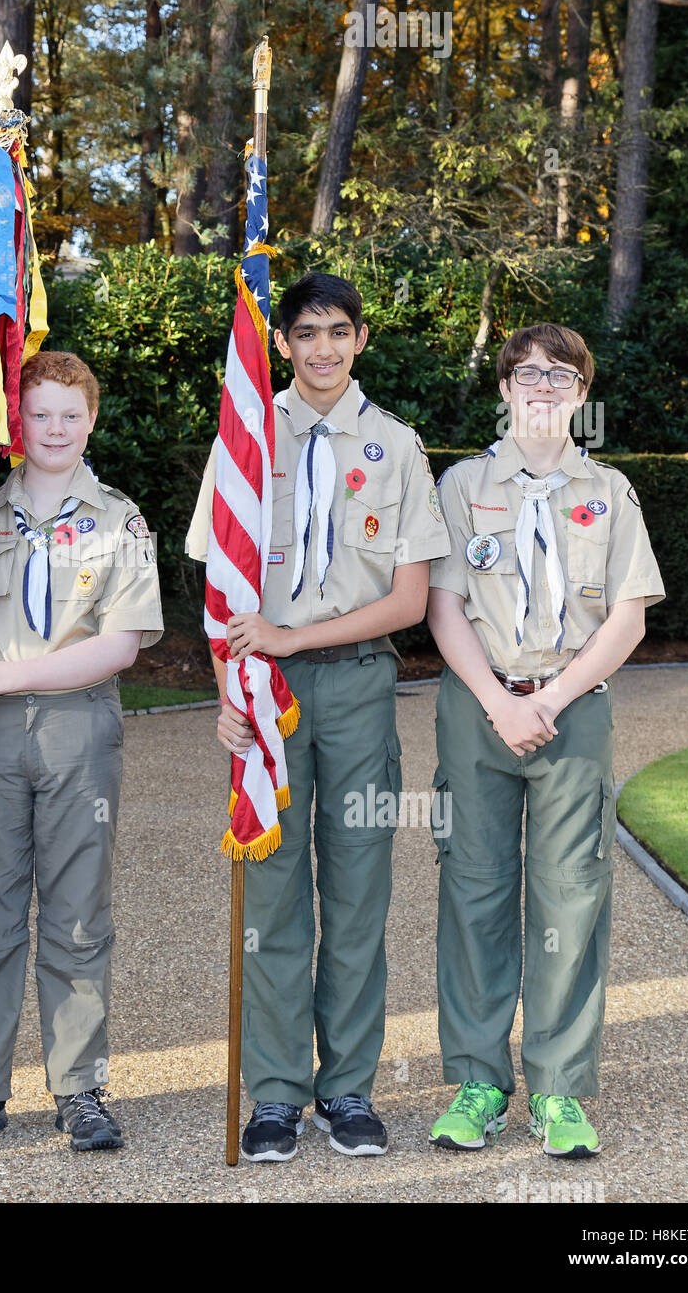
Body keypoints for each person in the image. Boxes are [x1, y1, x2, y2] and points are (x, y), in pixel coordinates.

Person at [185, 270, 450, 1161]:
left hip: (356, 688)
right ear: (285, 344)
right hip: (266, 693)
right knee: (272, 896)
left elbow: (411, 599)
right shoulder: (246, 437)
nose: (324, 349)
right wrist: (230, 688)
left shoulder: (399, 447)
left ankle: (346, 1090)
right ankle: (274, 1094)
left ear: (362, 340)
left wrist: (296, 640)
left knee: (357, 892)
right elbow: (221, 583)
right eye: (306, 334)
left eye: (340, 332)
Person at [426, 323, 664, 1158]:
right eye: (527, 374)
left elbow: (626, 618)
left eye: (561, 375)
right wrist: (499, 701)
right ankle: (480, 1081)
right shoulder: (459, 487)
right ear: (503, 388)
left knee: (571, 896)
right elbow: (443, 607)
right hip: (478, 707)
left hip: (572, 709)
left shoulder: (611, 491)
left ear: (582, 394)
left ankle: (559, 1088)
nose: (542, 386)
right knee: (475, 890)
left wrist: (550, 699)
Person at [0, 349, 163, 1153]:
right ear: (15, 423)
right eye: (39, 414)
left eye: (70, 413)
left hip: (77, 725)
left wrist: (3, 671)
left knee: (75, 915)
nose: (55, 428)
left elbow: (122, 646)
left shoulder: (120, 520)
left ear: (92, 420)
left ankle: (78, 1087)